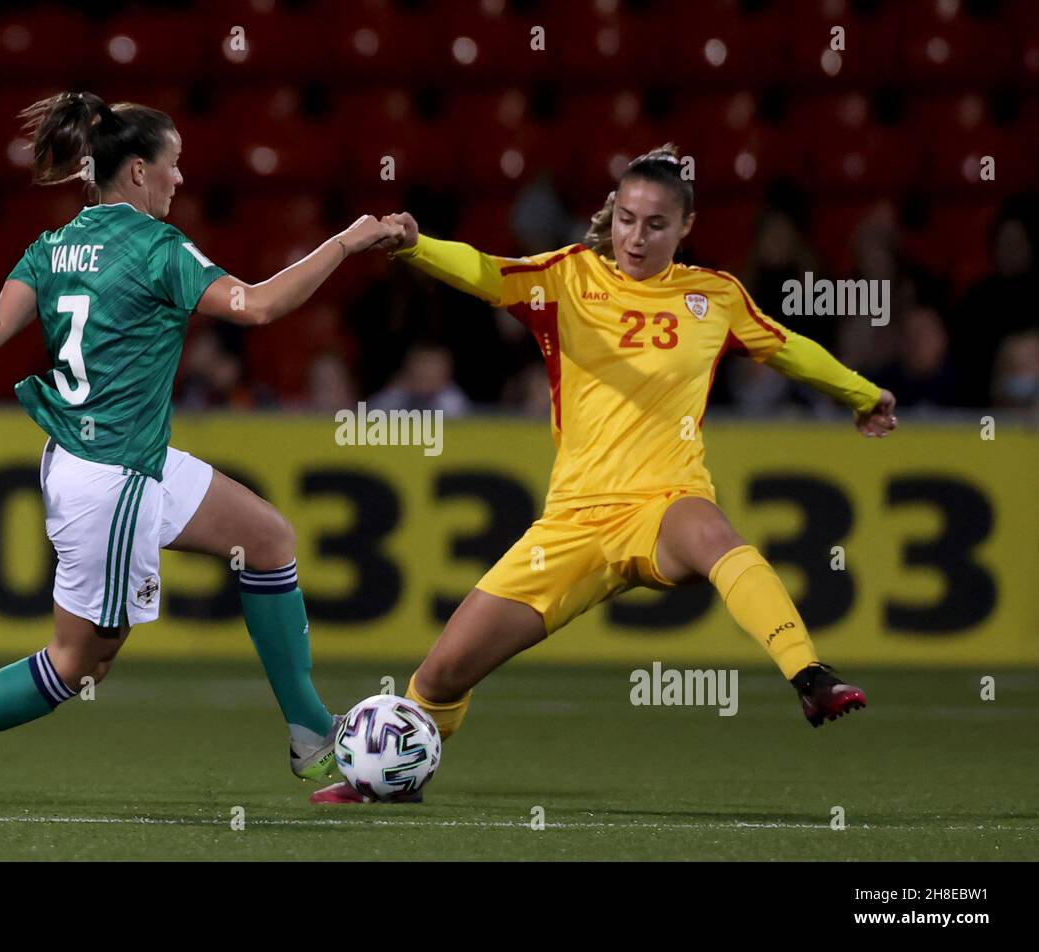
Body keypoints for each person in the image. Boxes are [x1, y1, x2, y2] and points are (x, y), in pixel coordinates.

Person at [0, 91, 402, 809]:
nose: (181, 179)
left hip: (114, 459)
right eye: (174, 165)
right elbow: (261, 307)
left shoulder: (54, 246)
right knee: (80, 664)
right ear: (140, 171)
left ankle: (310, 733)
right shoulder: (156, 248)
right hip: (113, 479)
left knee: (267, 539)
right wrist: (347, 241)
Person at [313, 144, 898, 804]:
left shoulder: (715, 296)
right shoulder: (570, 277)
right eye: (626, 219)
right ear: (611, 216)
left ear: (686, 229)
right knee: (442, 674)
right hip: (575, 522)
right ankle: (387, 783)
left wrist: (859, 393)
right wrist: (418, 246)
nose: (636, 236)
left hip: (664, 502)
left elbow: (788, 348)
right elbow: (489, 273)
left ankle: (811, 677)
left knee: (713, 535)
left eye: (655, 224)